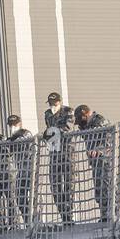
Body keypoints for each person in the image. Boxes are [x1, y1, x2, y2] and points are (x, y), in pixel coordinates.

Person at [74, 104, 111, 219]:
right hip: (95, 162)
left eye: (81, 119)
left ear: (85, 114)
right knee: (99, 190)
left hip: (104, 160)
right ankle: (104, 215)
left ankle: (111, 215)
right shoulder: (87, 126)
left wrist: (99, 150)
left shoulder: (99, 120)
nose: (80, 123)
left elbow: (109, 138)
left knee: (106, 187)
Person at [43, 93, 75, 224]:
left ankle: (69, 214)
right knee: (55, 186)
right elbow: (48, 130)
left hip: (67, 151)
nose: (52, 105)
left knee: (68, 184)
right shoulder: (47, 114)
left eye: (54, 103)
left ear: (59, 102)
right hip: (54, 151)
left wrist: (52, 133)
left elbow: (68, 128)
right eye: (50, 103)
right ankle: (63, 215)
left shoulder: (68, 111)